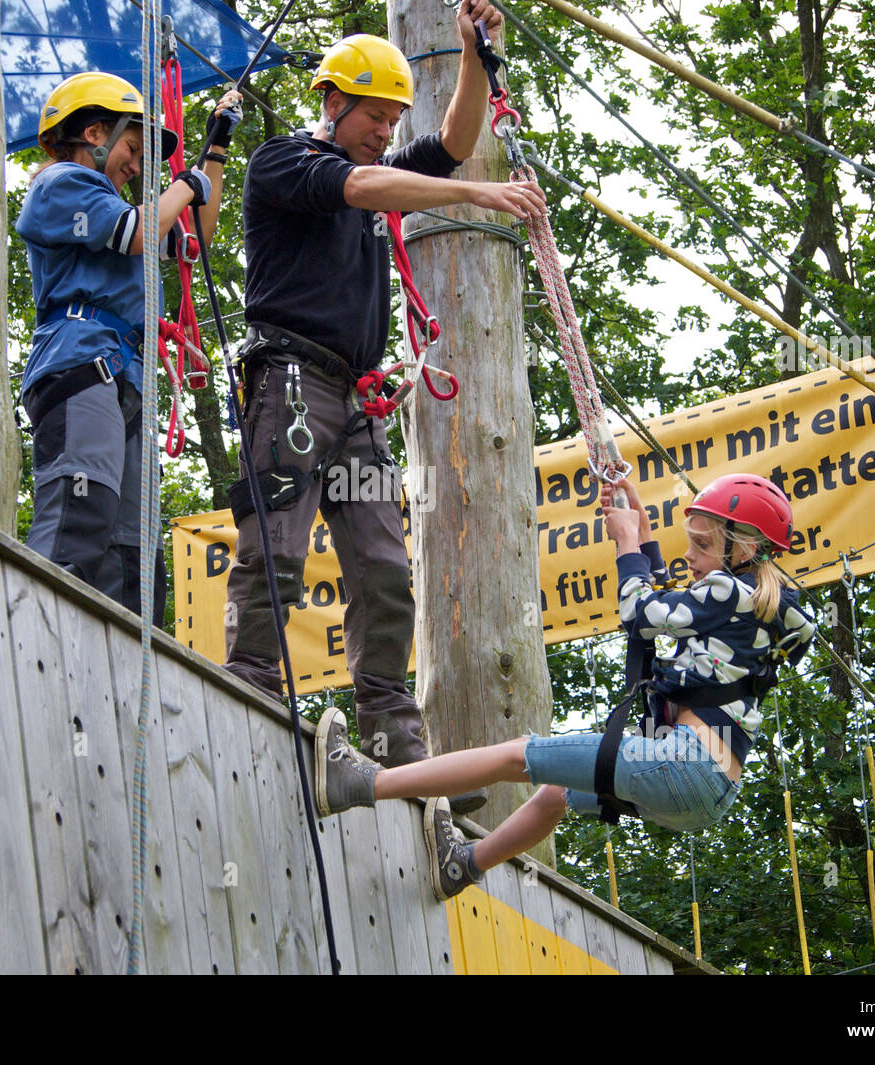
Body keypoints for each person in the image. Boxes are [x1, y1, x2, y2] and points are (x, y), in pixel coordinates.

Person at [224, 1, 548, 802]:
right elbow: (367, 182)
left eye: (393, 118)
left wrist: (474, 58)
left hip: (357, 402)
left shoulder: (377, 171)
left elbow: (456, 144)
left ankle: (394, 739)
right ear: (333, 104)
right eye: (374, 116)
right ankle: (254, 684)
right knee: (277, 546)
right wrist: (475, 199)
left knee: (385, 570)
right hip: (292, 383)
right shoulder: (284, 164)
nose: (383, 130)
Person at [314, 472, 818, 900]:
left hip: (683, 765)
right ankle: (461, 866)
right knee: (557, 791)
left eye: (703, 545)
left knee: (520, 755)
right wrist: (641, 531)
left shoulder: (730, 591)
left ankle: (360, 784)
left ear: (745, 548)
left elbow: (640, 614)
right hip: (708, 793)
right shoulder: (764, 608)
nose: (690, 554)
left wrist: (624, 545)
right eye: (690, 540)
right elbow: (675, 608)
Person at [16, 71, 240, 623]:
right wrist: (183, 183)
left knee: (133, 546)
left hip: (124, 373)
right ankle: (39, 637)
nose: (138, 168)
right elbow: (142, 234)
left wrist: (214, 150)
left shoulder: (115, 204)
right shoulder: (60, 184)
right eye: (133, 149)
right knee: (81, 511)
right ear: (94, 132)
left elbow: (194, 240)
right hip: (79, 360)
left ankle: (117, 671)